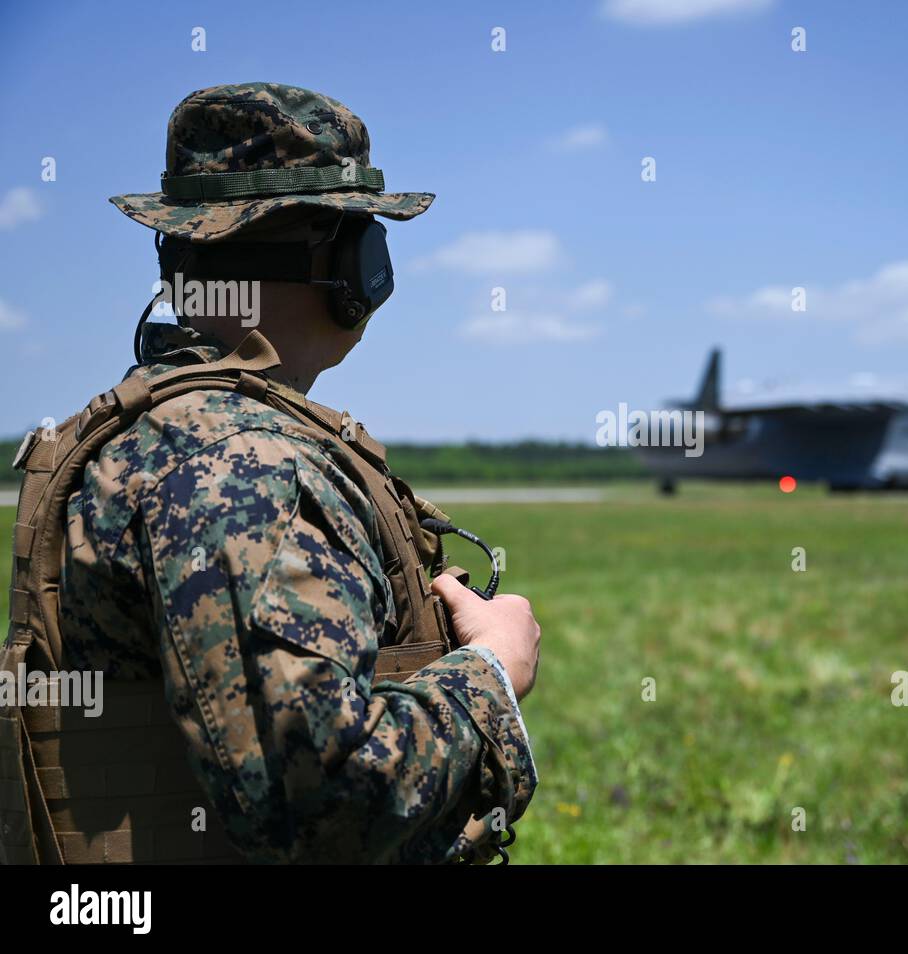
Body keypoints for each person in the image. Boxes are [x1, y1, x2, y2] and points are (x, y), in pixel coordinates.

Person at [0, 83, 539, 864]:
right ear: (346, 266)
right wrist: (493, 672)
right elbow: (323, 799)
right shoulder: (243, 468)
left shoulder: (145, 436)